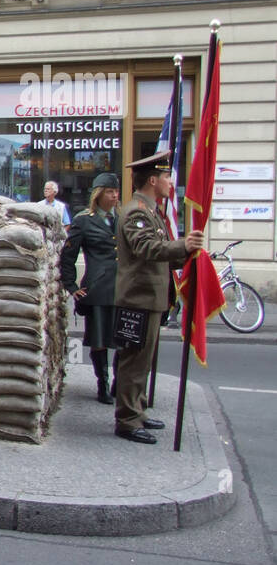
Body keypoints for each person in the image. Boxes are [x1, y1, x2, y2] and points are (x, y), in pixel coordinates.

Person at [113, 151, 205, 444]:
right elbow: (147, 250)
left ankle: (136, 411)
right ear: (152, 180)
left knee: (144, 361)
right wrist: (183, 245)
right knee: (134, 361)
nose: (170, 181)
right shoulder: (137, 211)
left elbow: (160, 255)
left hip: (150, 297)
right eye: (166, 176)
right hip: (137, 298)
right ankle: (127, 420)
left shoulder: (151, 210)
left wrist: (186, 254)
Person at [60, 172, 120, 404]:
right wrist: (72, 285)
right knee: (99, 341)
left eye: (116, 192)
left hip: (123, 288)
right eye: (109, 191)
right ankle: (103, 384)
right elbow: (68, 256)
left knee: (123, 341)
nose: (114, 196)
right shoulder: (84, 220)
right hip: (98, 289)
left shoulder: (123, 217)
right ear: (98, 194)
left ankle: (118, 383)